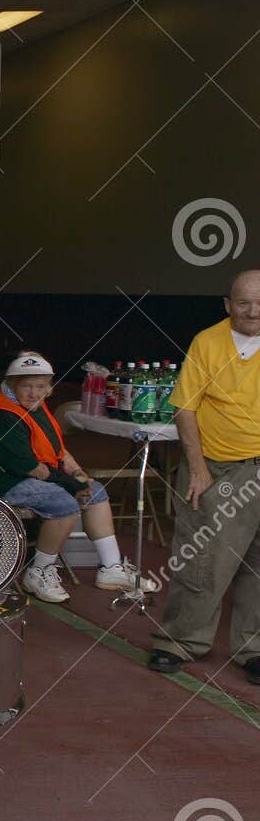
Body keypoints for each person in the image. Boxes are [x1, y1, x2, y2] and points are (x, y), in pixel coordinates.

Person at [148, 270, 260, 684]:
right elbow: (185, 409)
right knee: (202, 561)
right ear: (228, 304)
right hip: (219, 468)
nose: (253, 311)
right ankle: (178, 642)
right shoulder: (208, 342)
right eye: (244, 302)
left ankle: (254, 649)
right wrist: (197, 468)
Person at [0, 351, 157, 603]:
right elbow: (32, 468)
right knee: (64, 503)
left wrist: (78, 473)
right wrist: (74, 485)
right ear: (11, 385)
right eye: (26, 386)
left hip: (34, 475)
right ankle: (38, 571)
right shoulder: (3, 414)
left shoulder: (35, 407)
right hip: (4, 481)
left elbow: (60, 452)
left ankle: (111, 568)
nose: (33, 392)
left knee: (96, 491)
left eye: (40, 386)